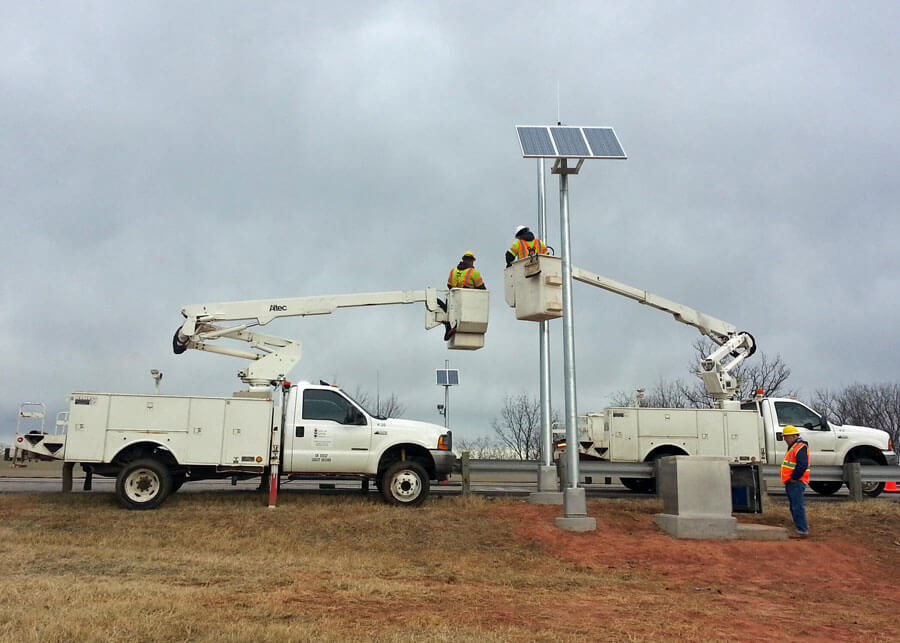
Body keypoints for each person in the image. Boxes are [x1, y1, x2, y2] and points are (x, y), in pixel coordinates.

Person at [441, 251, 485, 340]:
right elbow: (482, 289)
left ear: (463, 259)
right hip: (466, 300)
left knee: (449, 315)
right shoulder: (474, 272)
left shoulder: (453, 271)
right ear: (472, 261)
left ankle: (449, 329)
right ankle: (451, 329)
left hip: (452, 298)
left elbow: (449, 285)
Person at [781, 425, 810, 538]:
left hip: (796, 482)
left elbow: (802, 465)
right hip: (792, 481)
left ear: (793, 436)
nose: (785, 439)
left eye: (786, 437)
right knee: (795, 506)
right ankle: (802, 527)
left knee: (797, 506)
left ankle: (802, 530)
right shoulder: (795, 446)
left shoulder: (799, 447)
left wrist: (794, 477)